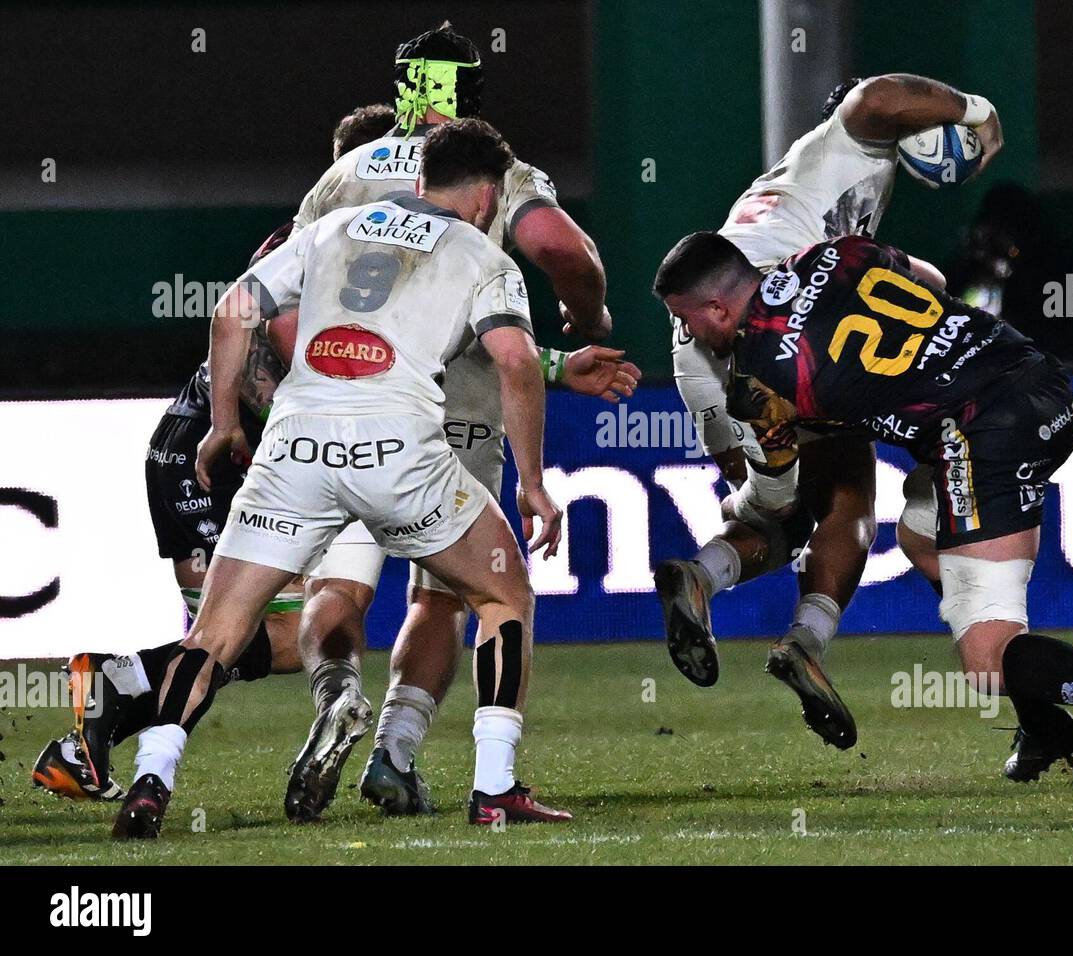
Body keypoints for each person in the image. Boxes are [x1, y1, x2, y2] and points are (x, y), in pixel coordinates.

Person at [112, 119, 577, 839]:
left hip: (296, 450)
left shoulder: (339, 224)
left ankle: (151, 780)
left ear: (420, 182)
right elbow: (515, 361)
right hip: (400, 456)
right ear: (486, 196)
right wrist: (533, 481)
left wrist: (225, 420)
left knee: (213, 632)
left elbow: (234, 309)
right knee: (502, 592)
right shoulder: (482, 254)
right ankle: (494, 787)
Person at [652, 228, 1073, 790]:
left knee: (987, 660)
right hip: (1037, 375)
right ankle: (1044, 724)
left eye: (687, 320)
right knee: (921, 537)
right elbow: (933, 282)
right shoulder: (835, 252)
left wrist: (737, 503)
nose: (689, 334)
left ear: (719, 309)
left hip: (983, 433)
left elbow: (778, 500)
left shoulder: (758, 381)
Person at [282, 22, 630, 821]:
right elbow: (560, 248)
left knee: (332, 583)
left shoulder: (348, 171)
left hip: (339, 406)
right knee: (451, 596)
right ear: (470, 94)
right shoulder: (491, 170)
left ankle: (330, 696)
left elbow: (278, 290)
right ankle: (401, 754)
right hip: (453, 416)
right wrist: (590, 311)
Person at [30, 102, 400, 802]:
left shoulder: (376, 252)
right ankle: (118, 691)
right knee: (225, 634)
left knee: (285, 641)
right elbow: (269, 366)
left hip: (271, 457)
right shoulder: (308, 246)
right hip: (208, 459)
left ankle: (103, 713)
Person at [657, 74, 1002, 750]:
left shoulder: (815, 193)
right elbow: (877, 96)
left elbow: (904, 272)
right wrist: (980, 115)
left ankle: (705, 574)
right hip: (762, 329)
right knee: (849, 502)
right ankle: (806, 640)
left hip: (699, 341)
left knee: (778, 508)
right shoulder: (840, 149)